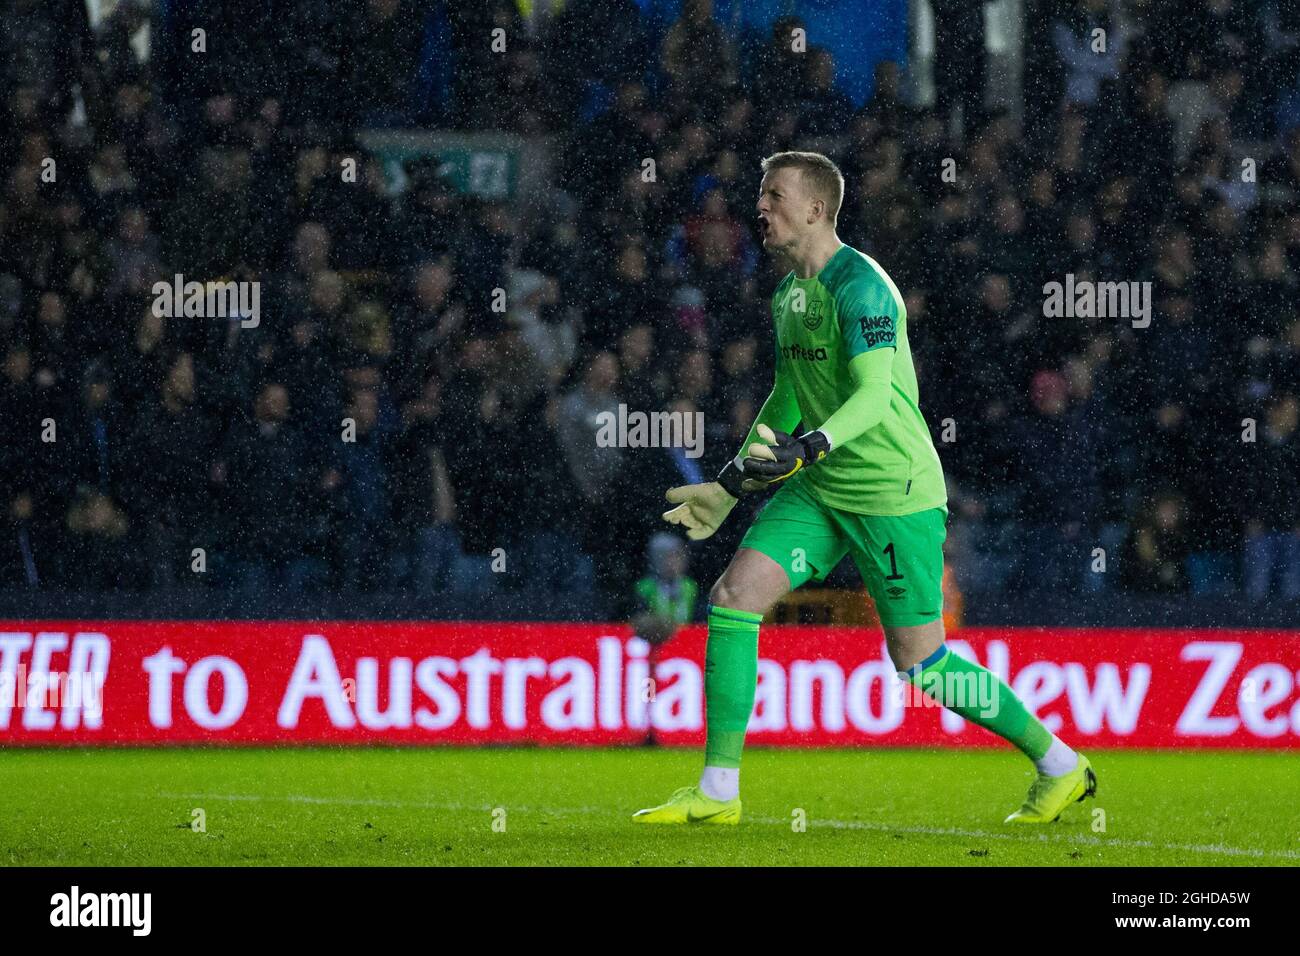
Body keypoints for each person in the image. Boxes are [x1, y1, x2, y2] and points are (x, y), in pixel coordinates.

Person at [634, 152, 1096, 826]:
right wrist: (730, 487)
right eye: (761, 196)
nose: (759, 208)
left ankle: (1060, 764)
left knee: (921, 663)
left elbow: (877, 395)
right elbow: (789, 396)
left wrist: (812, 446)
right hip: (821, 489)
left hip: (891, 493)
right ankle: (718, 791)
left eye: (775, 196)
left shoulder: (864, 286)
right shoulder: (789, 293)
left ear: (817, 208)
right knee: (734, 598)